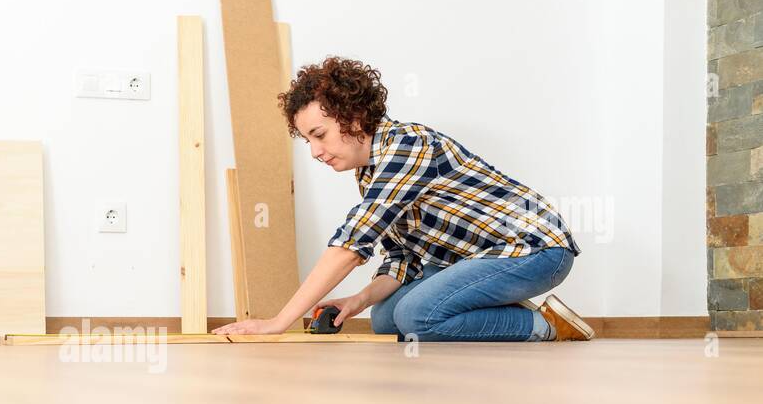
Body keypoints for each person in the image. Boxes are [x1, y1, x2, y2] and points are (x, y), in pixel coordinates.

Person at [214, 57, 593, 341]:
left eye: (319, 134)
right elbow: (402, 258)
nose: (315, 151)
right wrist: (357, 301)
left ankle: (545, 326)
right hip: (483, 258)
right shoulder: (369, 174)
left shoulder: (406, 148)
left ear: (355, 116)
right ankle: (493, 307)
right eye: (308, 140)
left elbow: (350, 246)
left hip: (535, 250)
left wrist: (278, 323)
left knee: (416, 317)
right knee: (385, 319)